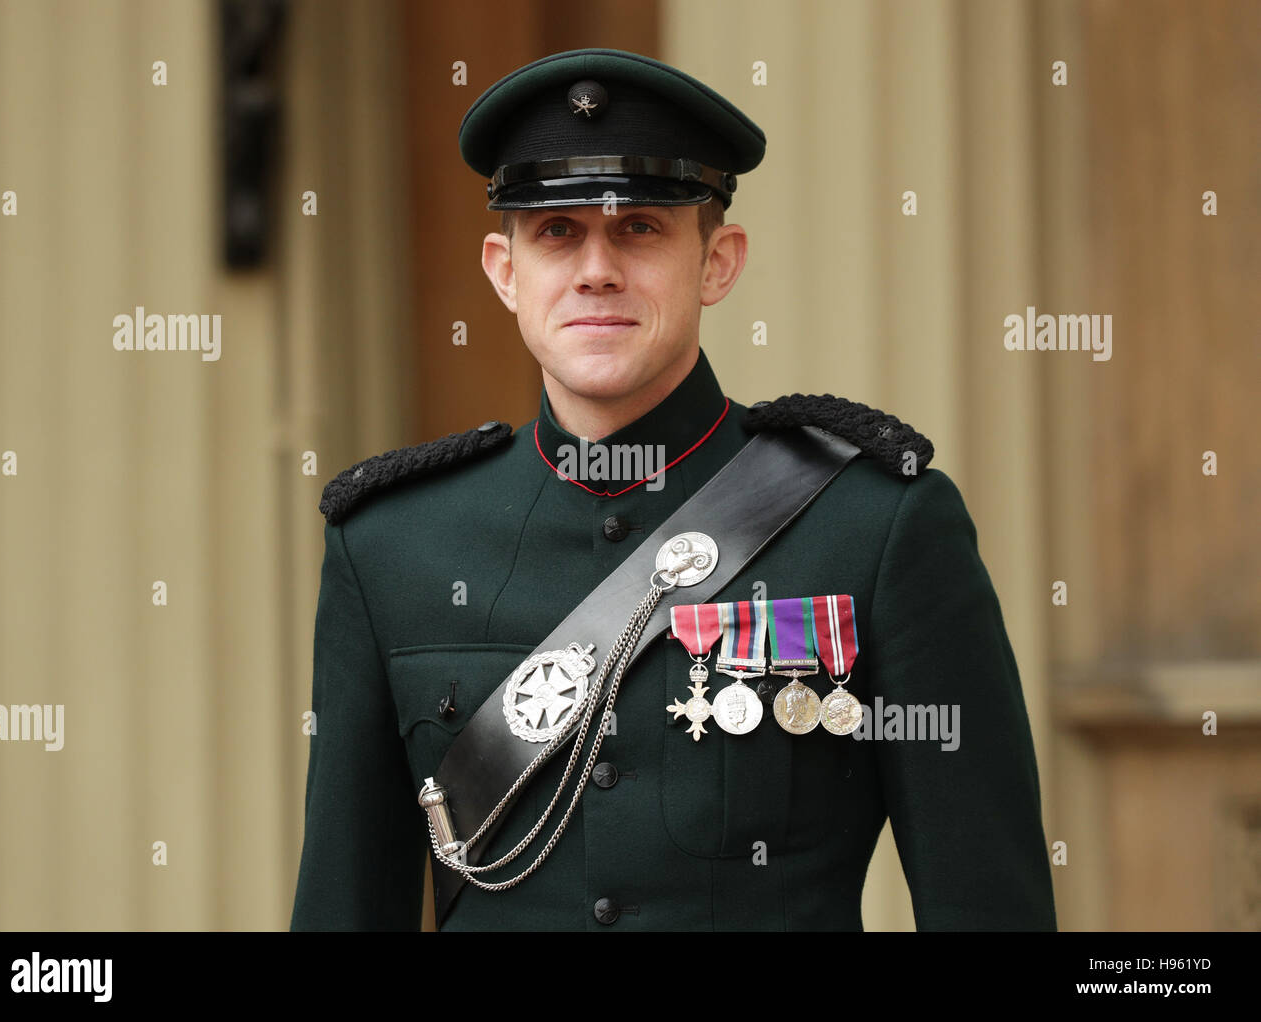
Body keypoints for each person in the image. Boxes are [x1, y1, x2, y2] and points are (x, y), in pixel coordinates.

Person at [289, 47, 1057, 931]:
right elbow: (344, 908)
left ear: (718, 261)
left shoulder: (875, 526)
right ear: (505, 272)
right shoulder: (392, 544)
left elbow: (988, 902)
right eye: (556, 233)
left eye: (641, 228)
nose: (596, 270)